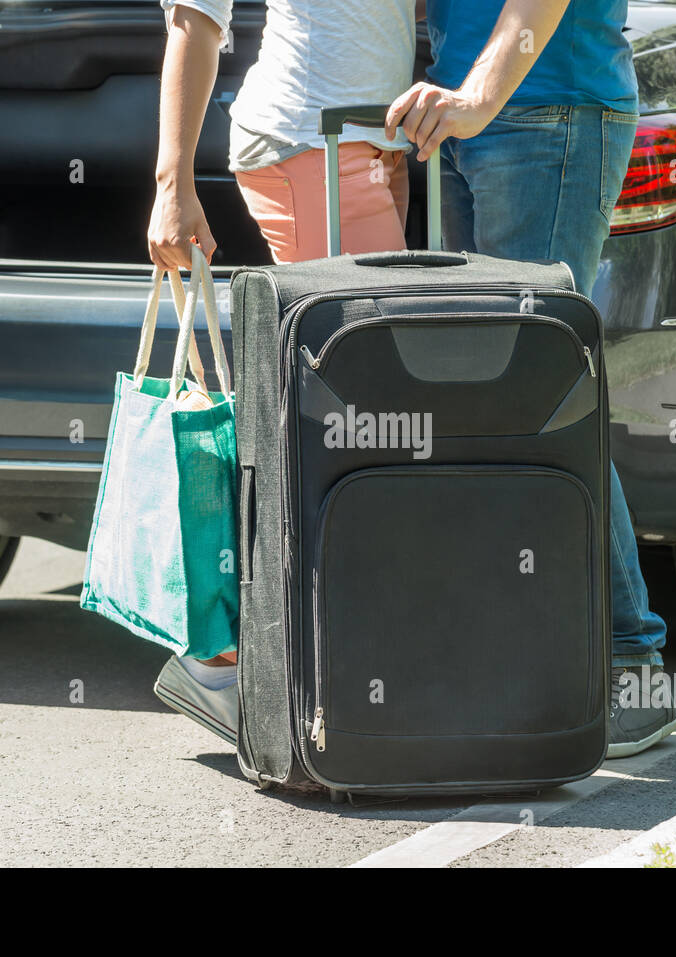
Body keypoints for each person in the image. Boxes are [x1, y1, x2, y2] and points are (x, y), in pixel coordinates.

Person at [385, 0, 676, 756]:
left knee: (544, 390)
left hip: (541, 107)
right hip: (467, 116)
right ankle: (527, 658)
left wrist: (478, 95)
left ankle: (629, 663)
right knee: (487, 397)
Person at [146, 0, 418, 741]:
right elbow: (193, 17)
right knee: (361, 427)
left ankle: (304, 668)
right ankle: (232, 663)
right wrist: (173, 184)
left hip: (363, 144)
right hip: (311, 144)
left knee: (357, 423)